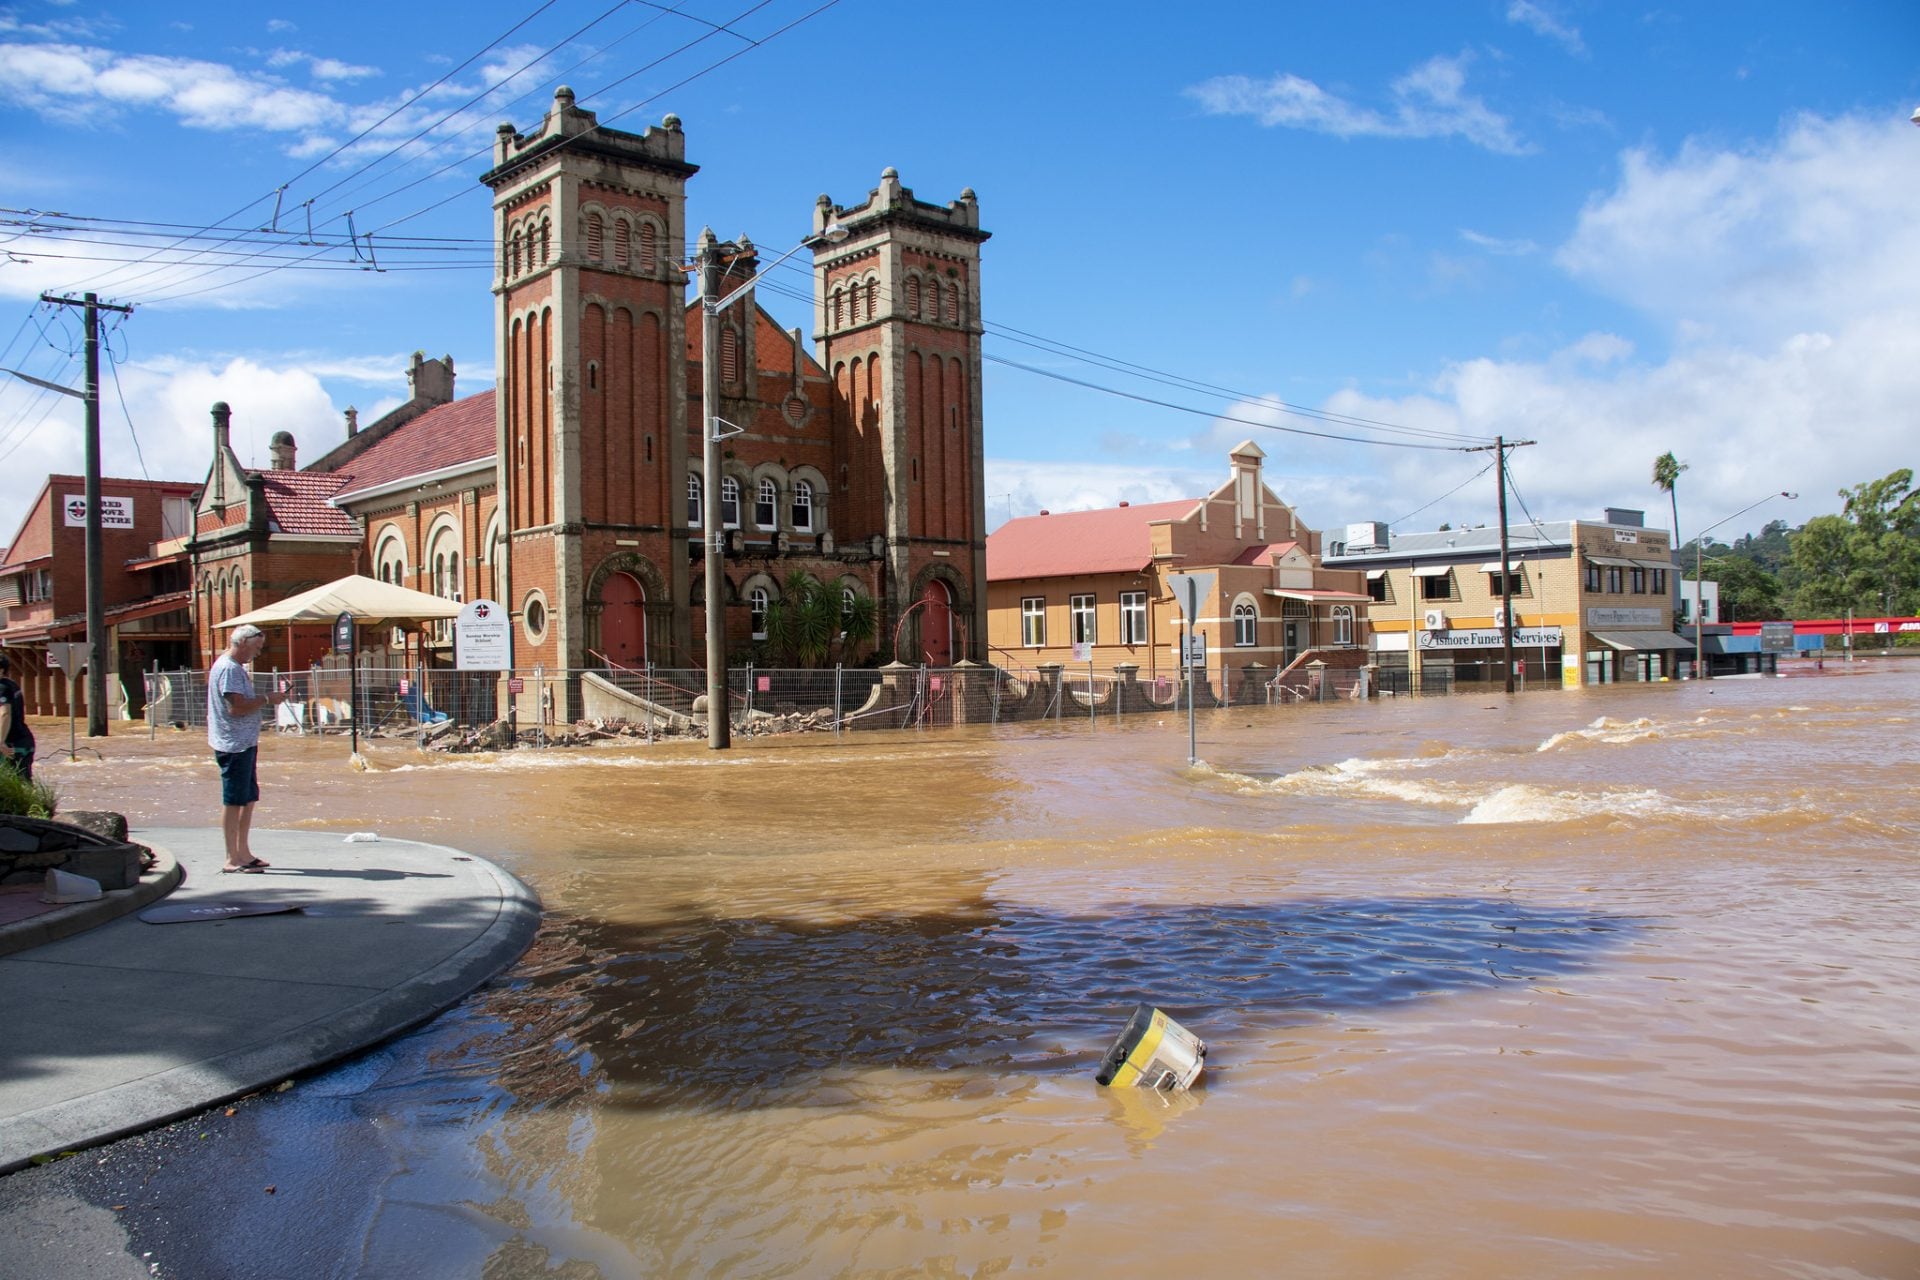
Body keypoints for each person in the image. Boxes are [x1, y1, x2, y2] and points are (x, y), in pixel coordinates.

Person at [208, 625, 287, 873]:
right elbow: (236, 707)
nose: (258, 652)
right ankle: (232, 858)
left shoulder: (233, 667)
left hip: (242, 743)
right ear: (242, 643)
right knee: (234, 801)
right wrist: (267, 699)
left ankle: (243, 852)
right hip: (234, 745)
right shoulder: (229, 669)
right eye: (256, 647)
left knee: (248, 798)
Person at [0, 652, 33, 781]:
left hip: (12, 745)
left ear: (1, 670)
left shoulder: (1, 688)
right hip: (24, 742)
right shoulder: (11, 684)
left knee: (9, 787)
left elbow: (5, 713)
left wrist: (1, 742)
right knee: (23, 785)